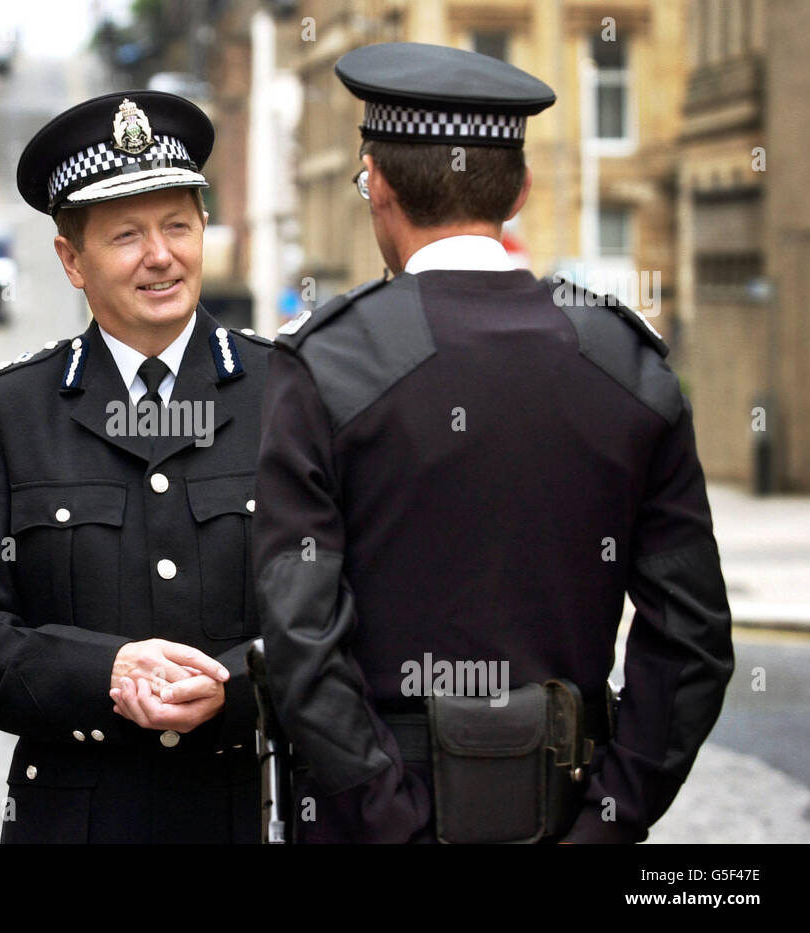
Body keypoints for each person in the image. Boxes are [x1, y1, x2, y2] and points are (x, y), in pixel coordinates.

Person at [252, 42, 734, 844]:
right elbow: (693, 640)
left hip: (372, 819)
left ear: (378, 185)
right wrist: (608, 820)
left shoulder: (326, 364)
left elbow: (302, 640)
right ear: (520, 189)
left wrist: (391, 823)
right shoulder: (625, 362)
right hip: (566, 807)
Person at [0, 91, 272, 843]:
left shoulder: (289, 395)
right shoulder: (9, 411)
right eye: (126, 235)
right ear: (71, 259)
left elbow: (339, 609)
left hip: (245, 809)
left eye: (178, 224)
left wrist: (236, 685)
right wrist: (101, 673)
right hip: (71, 820)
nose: (161, 255)